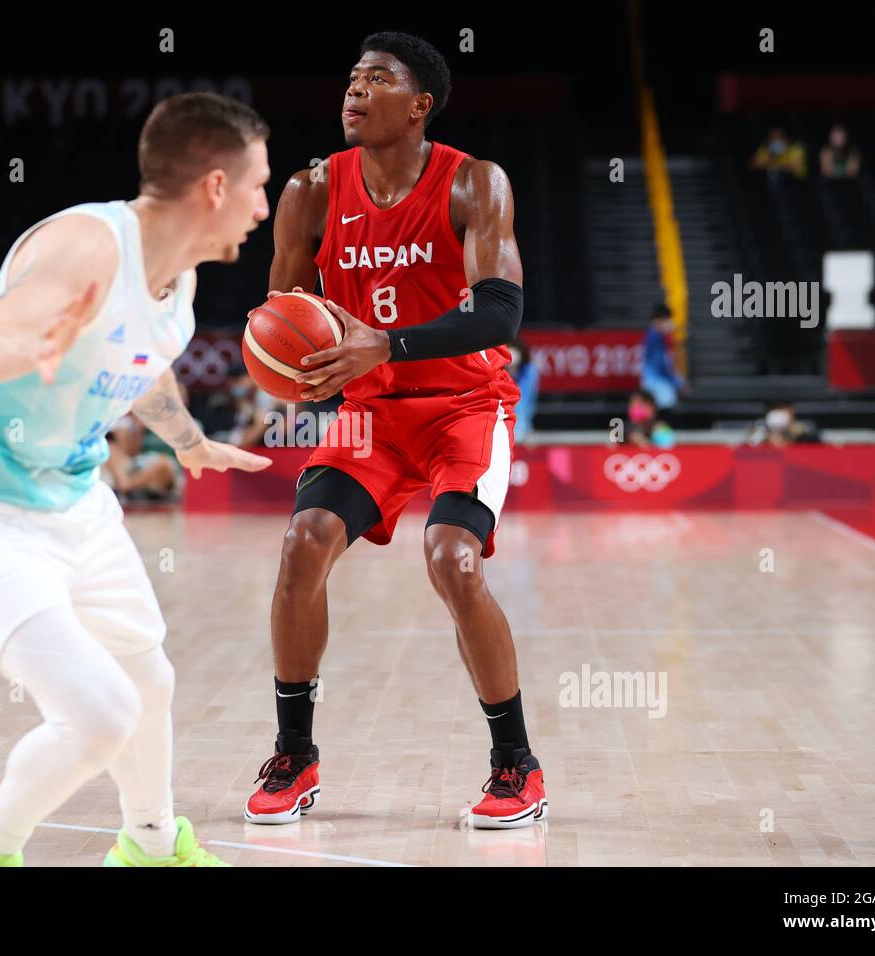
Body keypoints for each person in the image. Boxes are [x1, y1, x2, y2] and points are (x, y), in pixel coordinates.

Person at [0, 92, 273, 867]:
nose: (264, 206)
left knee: (149, 679)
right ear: (213, 187)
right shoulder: (87, 244)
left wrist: (189, 441)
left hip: (73, 504)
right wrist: (29, 346)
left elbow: (145, 367)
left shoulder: (179, 279)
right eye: (258, 184)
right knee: (101, 714)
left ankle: (150, 846)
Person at [245, 32, 546, 830]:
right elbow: (284, 315)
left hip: (463, 406)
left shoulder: (474, 182)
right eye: (350, 77)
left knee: (452, 560)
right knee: (304, 539)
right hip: (369, 415)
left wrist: (390, 342)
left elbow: (501, 312)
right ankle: (293, 753)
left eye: (377, 79)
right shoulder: (311, 189)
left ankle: (516, 764)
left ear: (419, 106)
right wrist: (291, 361)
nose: (354, 89)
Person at [641, 304, 686, 413]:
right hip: (657, 388)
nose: (669, 323)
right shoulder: (654, 338)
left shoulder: (655, 337)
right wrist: (678, 382)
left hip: (654, 385)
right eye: (667, 320)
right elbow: (662, 365)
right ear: (660, 320)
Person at [746, 401, 819, 447]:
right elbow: (750, 445)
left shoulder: (801, 429)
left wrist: (796, 435)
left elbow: (816, 447)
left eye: (784, 410)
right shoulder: (761, 428)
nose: (780, 415)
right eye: (778, 409)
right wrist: (766, 436)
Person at [509, 338, 538, 444]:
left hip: (523, 430)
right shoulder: (498, 369)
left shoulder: (529, 372)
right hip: (503, 429)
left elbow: (523, 402)